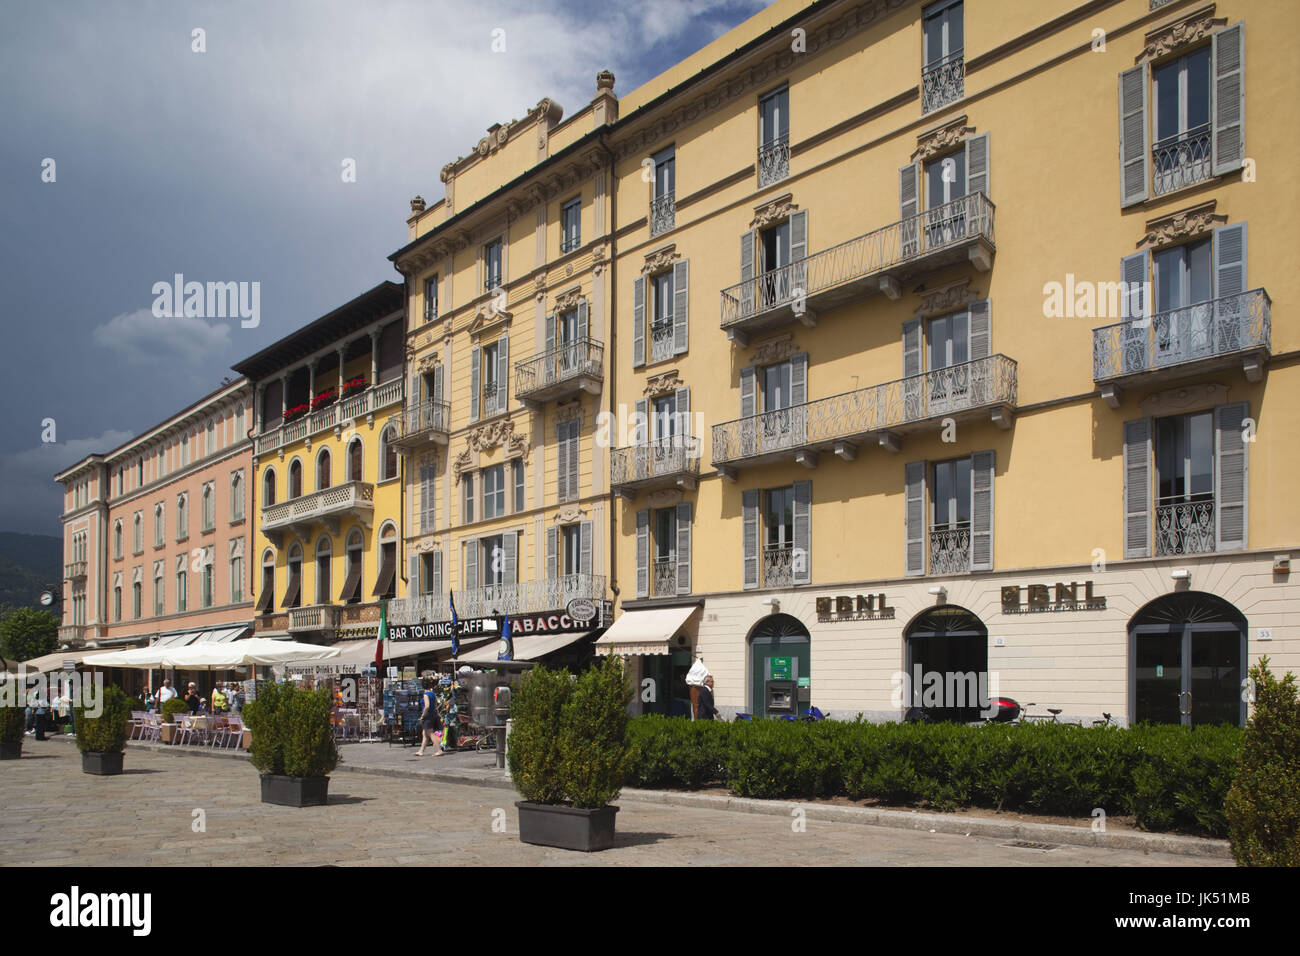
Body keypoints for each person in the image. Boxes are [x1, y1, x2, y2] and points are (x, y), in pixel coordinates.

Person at [414, 677, 442, 757]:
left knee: (430, 733)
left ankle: (439, 750)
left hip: (427, 715)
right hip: (432, 714)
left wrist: (423, 715)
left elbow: (427, 706)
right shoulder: (433, 694)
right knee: (425, 733)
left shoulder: (426, 694)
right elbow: (436, 705)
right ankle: (421, 751)